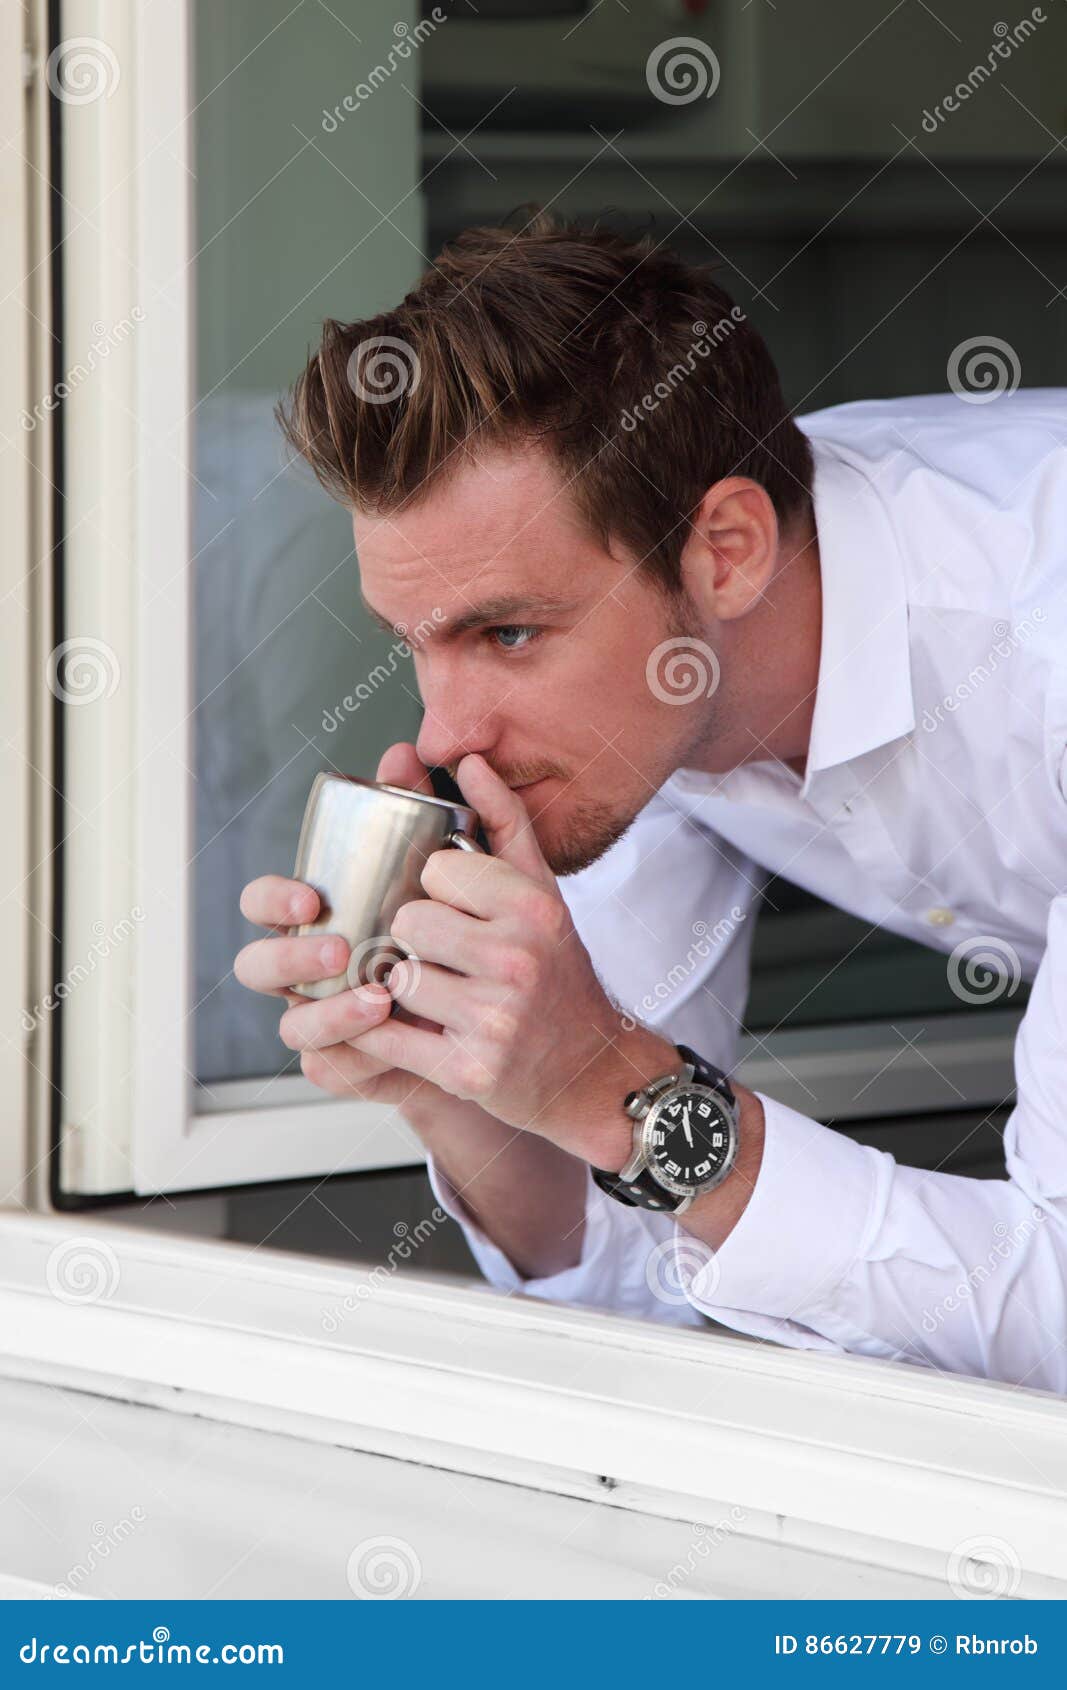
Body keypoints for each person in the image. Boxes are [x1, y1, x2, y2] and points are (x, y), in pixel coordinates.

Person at [235, 211, 1067, 1391]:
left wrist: (615, 1089)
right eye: (413, 644)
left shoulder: (1036, 649)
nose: (444, 734)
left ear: (724, 551)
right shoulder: (652, 713)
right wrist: (469, 1095)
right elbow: (649, 1272)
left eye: (507, 633)